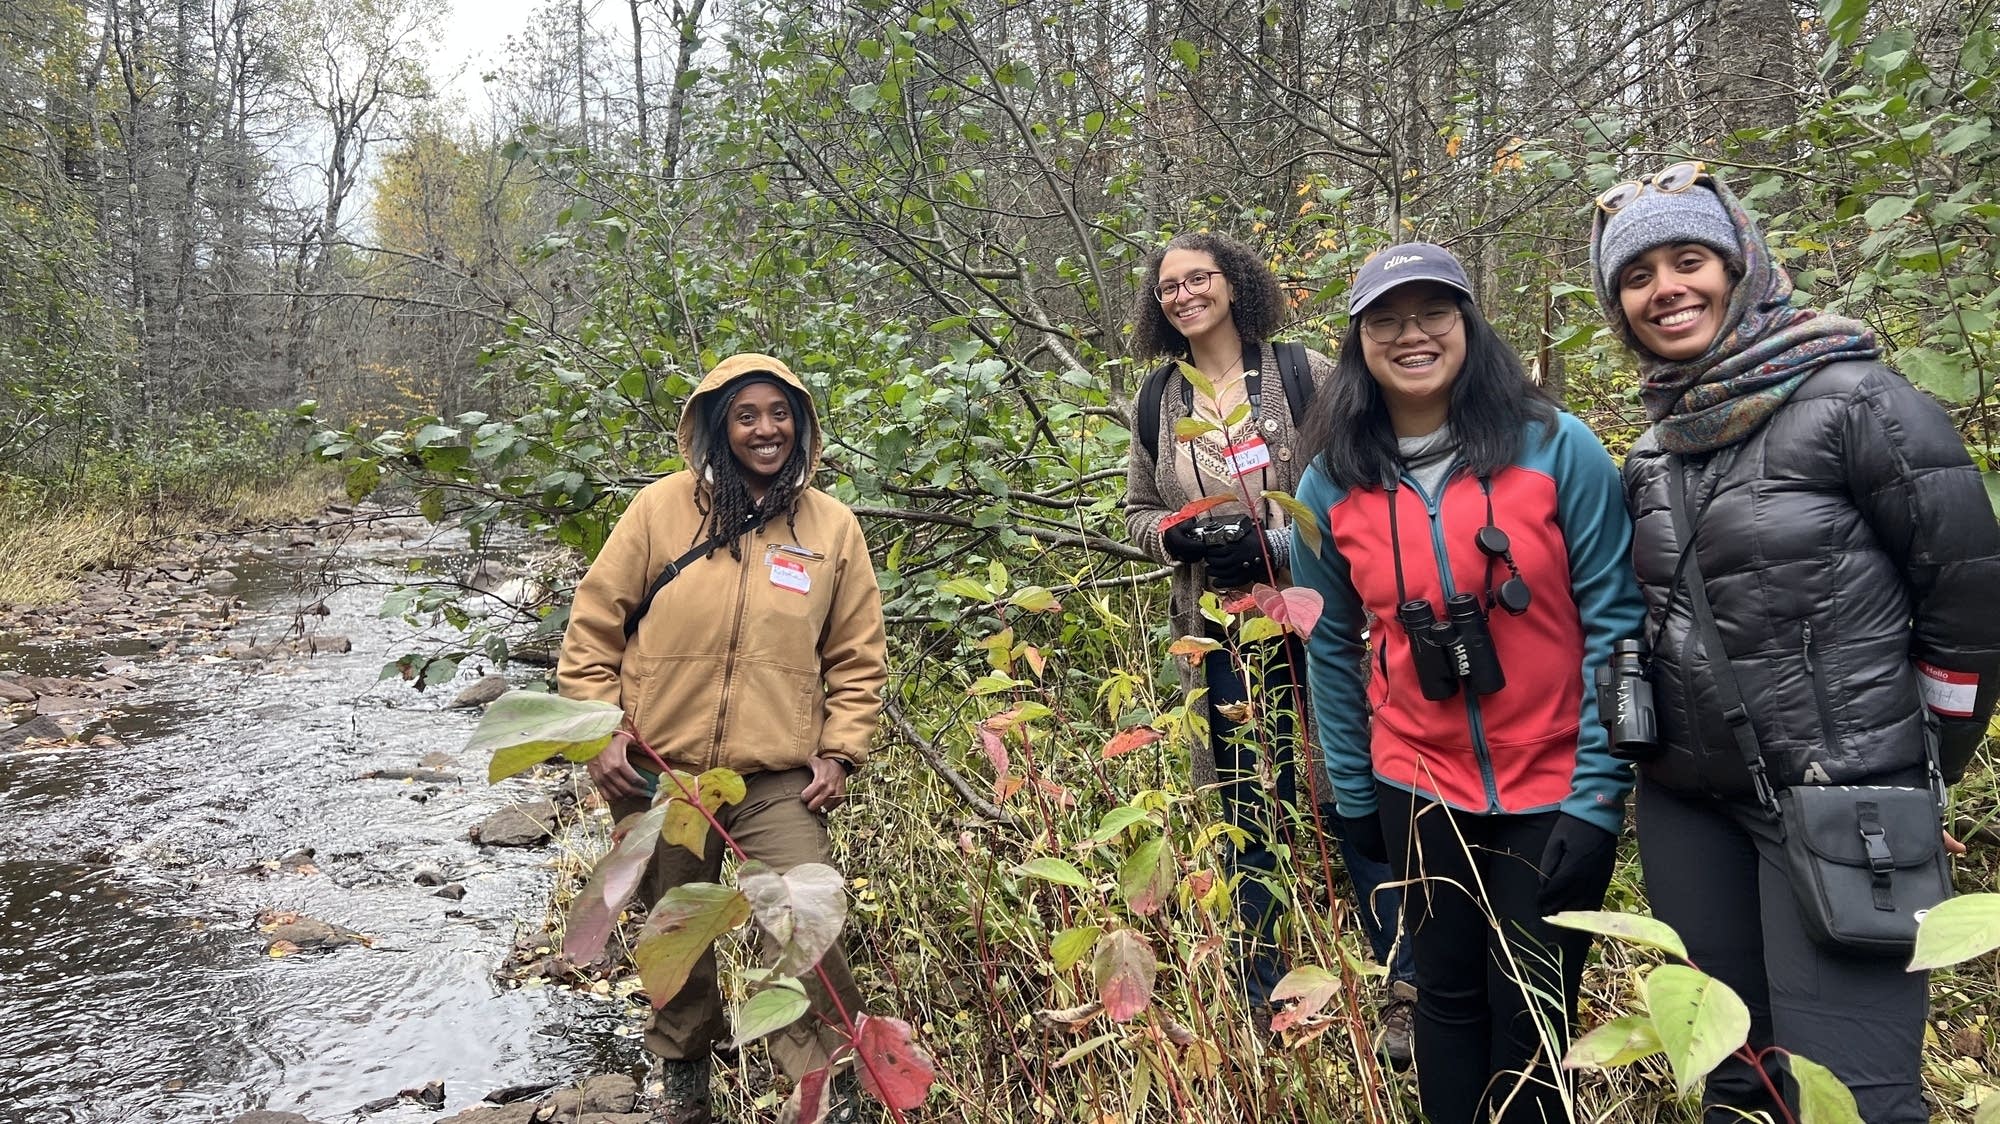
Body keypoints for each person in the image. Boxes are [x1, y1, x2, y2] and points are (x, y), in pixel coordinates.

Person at [1590, 163, 2000, 1122]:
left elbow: (1974, 602)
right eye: (1638, 276)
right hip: (1691, 806)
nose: (1666, 290)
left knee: (1854, 1096)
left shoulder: (1859, 400)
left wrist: (1917, 765)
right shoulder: (1655, 449)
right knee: (1738, 1077)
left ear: (1741, 267)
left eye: (1689, 259)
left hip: (1841, 801)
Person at [1290, 243, 1645, 1123]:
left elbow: (1616, 624)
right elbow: (1329, 646)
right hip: (1415, 782)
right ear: (1358, 343)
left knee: (1532, 1013)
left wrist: (1599, 795)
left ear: (1468, 324)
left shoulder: (1559, 448)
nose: (1412, 335)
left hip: (1554, 786)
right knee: (1445, 999)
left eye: (1433, 313)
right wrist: (1350, 788)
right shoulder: (1330, 480)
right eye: (1385, 320)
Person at [557, 352, 889, 1124]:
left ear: (800, 424)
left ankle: (835, 1085)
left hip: (774, 778)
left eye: (780, 414)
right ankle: (684, 1075)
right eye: (747, 415)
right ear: (718, 425)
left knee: (804, 923)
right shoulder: (660, 510)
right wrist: (600, 732)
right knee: (675, 932)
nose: (764, 429)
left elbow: (857, 653)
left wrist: (841, 750)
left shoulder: (831, 526)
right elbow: (594, 624)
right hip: (661, 773)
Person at [1121, 230, 1418, 1054]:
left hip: (1319, 623)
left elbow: (1359, 483)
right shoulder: (1159, 399)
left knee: (1344, 797)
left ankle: (1403, 987)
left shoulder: (1300, 374)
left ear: (1234, 283)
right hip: (1218, 633)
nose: (1185, 295)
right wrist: (1180, 540)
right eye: (1169, 285)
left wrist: (1284, 547)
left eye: (1199, 279)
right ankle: (1269, 1002)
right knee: (1248, 807)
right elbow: (1138, 508)